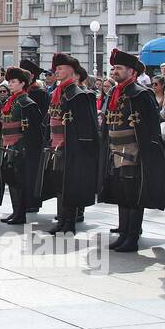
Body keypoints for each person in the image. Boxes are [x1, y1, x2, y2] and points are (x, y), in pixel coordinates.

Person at [97, 50, 165, 251]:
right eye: (114, 68)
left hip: (133, 152)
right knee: (121, 194)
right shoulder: (114, 92)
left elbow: (150, 127)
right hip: (115, 149)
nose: (115, 71)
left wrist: (142, 153)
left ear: (131, 71)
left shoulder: (140, 93)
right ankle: (123, 233)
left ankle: (132, 236)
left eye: (119, 68)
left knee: (133, 195)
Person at [41, 54, 99, 236]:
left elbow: (87, 127)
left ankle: (70, 223)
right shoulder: (57, 93)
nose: (56, 71)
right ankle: (62, 220)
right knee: (59, 186)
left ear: (71, 71)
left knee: (70, 186)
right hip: (55, 146)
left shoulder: (79, 95)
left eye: (60, 68)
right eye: (56, 69)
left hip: (71, 148)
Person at [0, 66, 43, 226]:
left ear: (22, 84)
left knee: (20, 182)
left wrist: (23, 149)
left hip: (19, 148)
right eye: (9, 81)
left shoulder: (27, 103)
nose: (10, 84)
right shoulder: (12, 101)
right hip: (7, 147)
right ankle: (15, 211)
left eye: (13, 82)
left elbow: (33, 130)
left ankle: (21, 214)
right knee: (11, 181)